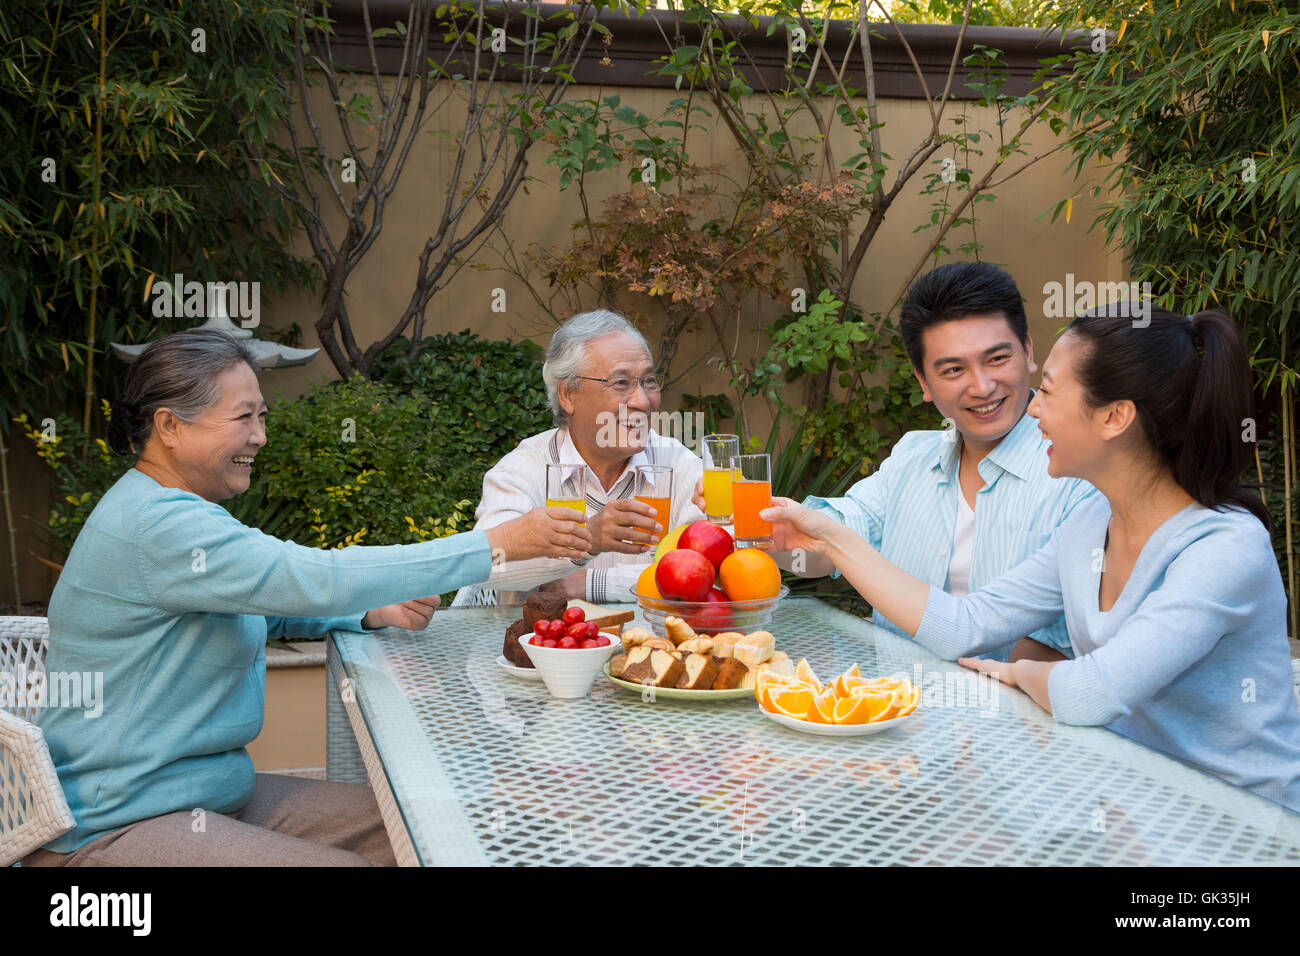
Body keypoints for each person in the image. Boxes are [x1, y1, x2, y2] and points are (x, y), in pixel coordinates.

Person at [22, 329, 589, 867]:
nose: (260, 436)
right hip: (113, 826)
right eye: (243, 417)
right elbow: (314, 575)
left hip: (209, 797)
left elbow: (256, 602)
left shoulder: (170, 512)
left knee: (433, 826)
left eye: (261, 416)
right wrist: (495, 544)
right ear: (169, 425)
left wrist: (366, 612)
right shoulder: (158, 523)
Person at [762, 305, 1300, 813]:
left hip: (1241, 824)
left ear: (1114, 417)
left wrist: (1021, 674)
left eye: (1047, 390)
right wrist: (831, 539)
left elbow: (1091, 692)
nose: (1033, 408)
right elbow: (965, 625)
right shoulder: (1090, 526)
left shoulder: (1223, 549)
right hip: (1135, 800)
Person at [767, 261, 1097, 662]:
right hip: (888, 708)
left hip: (1012, 718)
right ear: (923, 381)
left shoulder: (1079, 474)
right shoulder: (912, 457)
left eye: (996, 359)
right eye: (954, 369)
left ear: (1027, 351)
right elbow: (824, 546)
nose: (982, 386)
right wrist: (770, 529)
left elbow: (1073, 647)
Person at [453, 309, 705, 606]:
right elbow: (491, 563)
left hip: (650, 648)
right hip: (539, 649)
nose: (643, 400)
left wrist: (590, 583)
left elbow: (708, 568)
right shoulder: (523, 470)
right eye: (621, 383)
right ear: (568, 395)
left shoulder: (676, 462)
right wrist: (587, 538)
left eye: (648, 381)